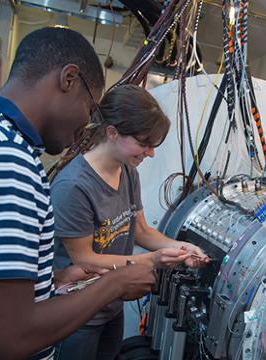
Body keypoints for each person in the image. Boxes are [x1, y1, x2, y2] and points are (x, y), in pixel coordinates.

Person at [0, 27, 157, 360]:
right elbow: (10, 338)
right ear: (68, 79)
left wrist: (51, 281)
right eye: (89, 110)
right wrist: (115, 284)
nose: (85, 128)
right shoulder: (2, 159)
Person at [48, 84, 209, 360]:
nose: (150, 153)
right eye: (144, 143)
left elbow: (141, 230)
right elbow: (85, 260)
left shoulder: (127, 172)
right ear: (112, 132)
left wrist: (181, 248)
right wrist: (153, 260)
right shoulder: (74, 186)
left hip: (111, 306)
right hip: (78, 315)